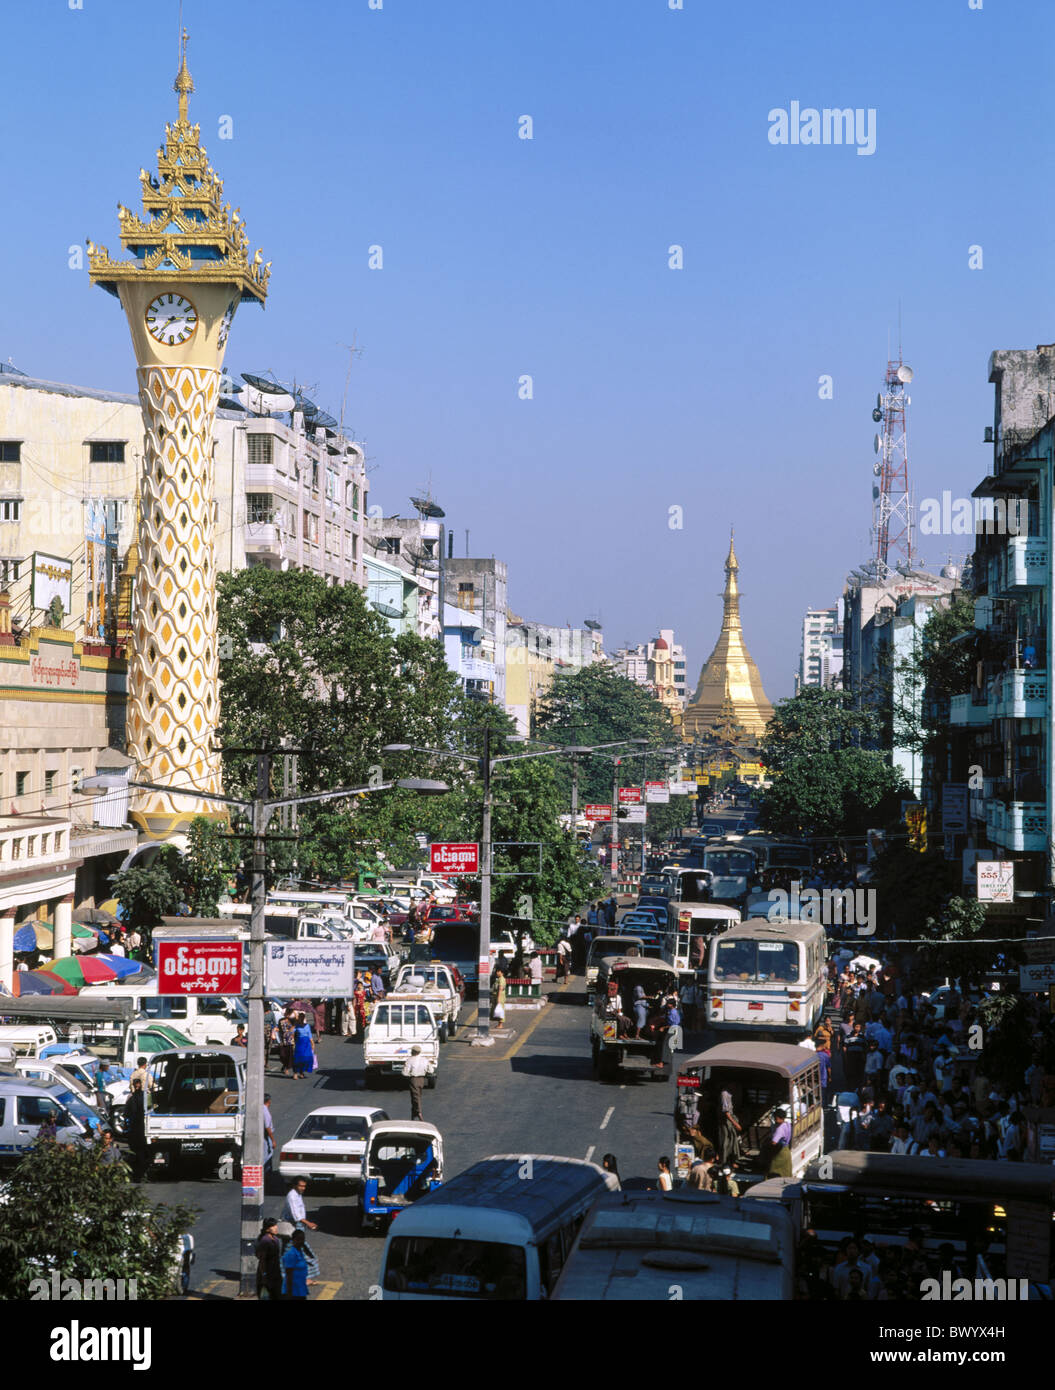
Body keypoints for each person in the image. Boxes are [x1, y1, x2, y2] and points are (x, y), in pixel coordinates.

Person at [123, 1077, 148, 1182]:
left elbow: (126, 1113)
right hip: (142, 1129)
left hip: (135, 1129)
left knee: (135, 1153)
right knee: (142, 1152)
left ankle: (136, 1175)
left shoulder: (131, 1098)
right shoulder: (146, 1096)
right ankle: (141, 1174)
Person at [256, 1217, 283, 1300]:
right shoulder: (265, 1241)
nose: (276, 1227)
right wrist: (264, 1276)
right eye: (273, 1226)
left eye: (276, 1225)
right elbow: (262, 1260)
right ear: (267, 1229)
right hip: (268, 1274)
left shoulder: (275, 1239)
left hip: (275, 1272)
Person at [282, 1229, 310, 1300]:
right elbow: (289, 1276)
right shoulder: (291, 1254)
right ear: (293, 1240)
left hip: (300, 1291)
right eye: (298, 1239)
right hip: (293, 1293)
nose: (301, 1242)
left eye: (302, 1239)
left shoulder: (300, 1252)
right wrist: (289, 1294)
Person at [404, 1044, 429, 1121]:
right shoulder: (425, 1060)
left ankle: (418, 1112)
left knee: (415, 1096)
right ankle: (413, 1115)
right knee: (417, 1096)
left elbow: (405, 1072)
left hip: (413, 1079)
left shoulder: (410, 1060)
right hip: (421, 1079)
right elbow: (431, 1070)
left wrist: (408, 1075)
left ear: (413, 1052)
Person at [765, 1108, 793, 1178]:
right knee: (786, 1172)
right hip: (786, 1151)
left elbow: (774, 1142)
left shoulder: (779, 1129)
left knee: (774, 1172)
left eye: (775, 1118)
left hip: (779, 1153)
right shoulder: (787, 1124)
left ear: (777, 1117)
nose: (775, 1119)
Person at [292, 1013, 315, 1079]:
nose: (301, 1019)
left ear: (304, 1018)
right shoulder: (296, 1026)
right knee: (298, 1058)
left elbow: (309, 1035)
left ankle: (301, 1072)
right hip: (299, 1042)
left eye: (302, 1017)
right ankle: (295, 1073)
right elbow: (291, 1033)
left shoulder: (307, 1026)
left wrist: (312, 1043)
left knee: (306, 1058)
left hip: (307, 1043)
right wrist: (294, 1025)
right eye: (300, 1017)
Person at [263, 1093, 275, 1169]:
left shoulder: (260, 1108)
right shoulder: (265, 1112)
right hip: (266, 1136)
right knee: (268, 1154)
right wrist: (273, 1140)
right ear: (269, 1101)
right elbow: (267, 1127)